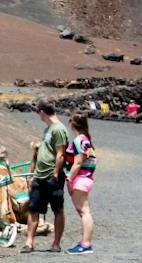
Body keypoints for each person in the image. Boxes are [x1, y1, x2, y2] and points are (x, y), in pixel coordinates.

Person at [23, 102, 69, 252]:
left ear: (42, 112)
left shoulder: (59, 129)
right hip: (40, 175)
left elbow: (60, 153)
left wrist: (56, 173)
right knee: (33, 208)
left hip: (52, 175)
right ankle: (29, 242)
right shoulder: (48, 129)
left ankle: (56, 243)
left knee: (57, 209)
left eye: (39, 113)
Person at [64, 112, 97, 254]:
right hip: (87, 178)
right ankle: (85, 242)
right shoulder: (87, 140)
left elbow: (78, 162)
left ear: (73, 124)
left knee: (84, 211)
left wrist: (69, 178)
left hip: (80, 178)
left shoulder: (79, 140)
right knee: (84, 211)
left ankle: (86, 244)